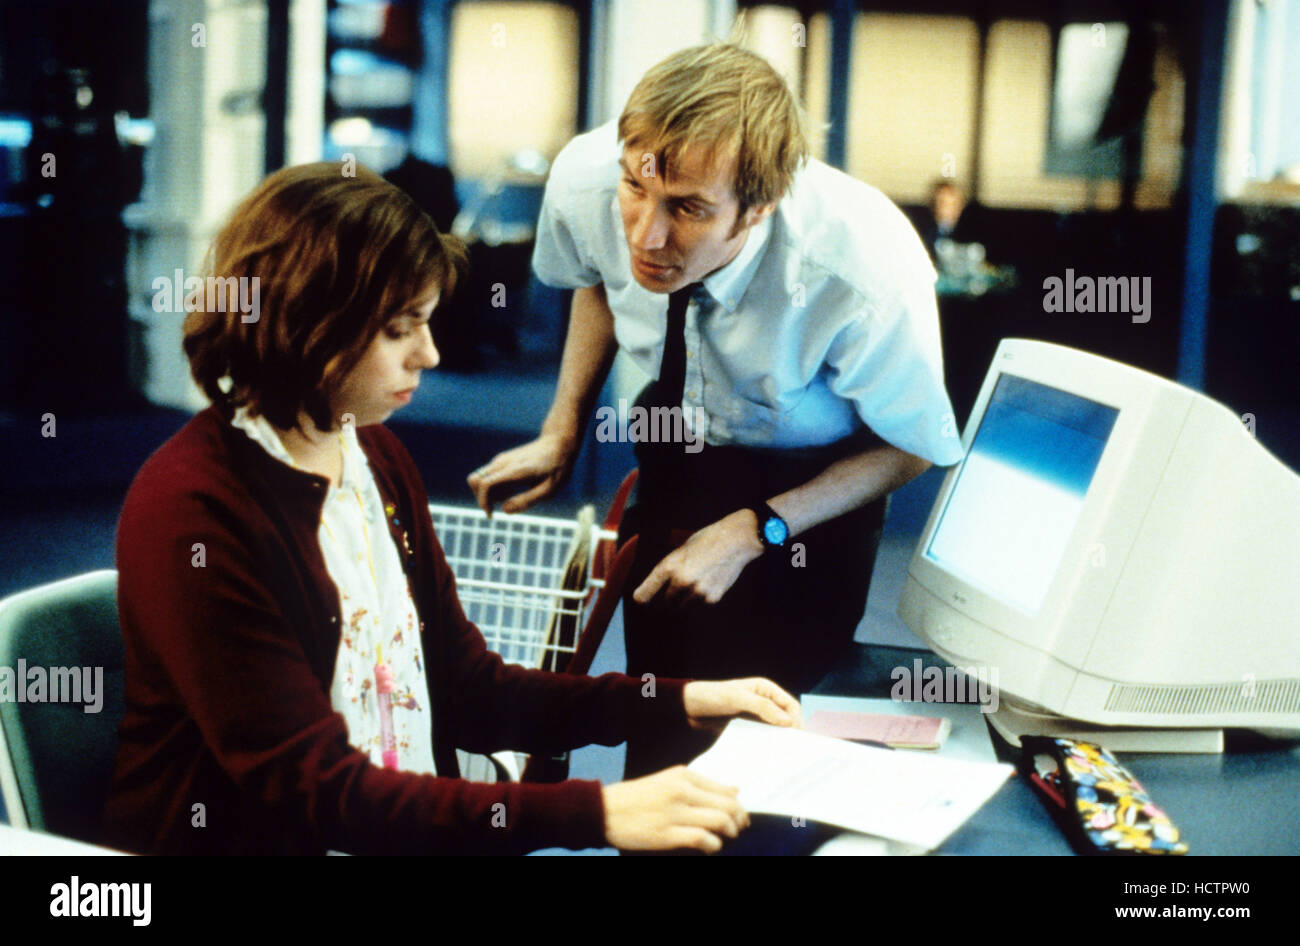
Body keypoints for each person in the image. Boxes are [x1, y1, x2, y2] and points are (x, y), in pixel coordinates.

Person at [100, 161, 802, 856]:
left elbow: (468, 688)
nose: (429, 354)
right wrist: (596, 812)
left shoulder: (373, 455)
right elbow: (315, 789)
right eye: (400, 330)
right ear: (309, 321)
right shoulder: (195, 510)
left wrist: (675, 699)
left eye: (427, 324)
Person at [467, 44, 966, 778]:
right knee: (664, 737)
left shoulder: (861, 266)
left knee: (772, 762)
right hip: (674, 465)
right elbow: (600, 282)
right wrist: (563, 426)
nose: (646, 235)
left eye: (689, 210)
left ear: (758, 208)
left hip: (811, 497)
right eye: (637, 191)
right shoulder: (586, 177)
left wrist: (752, 530)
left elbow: (910, 447)